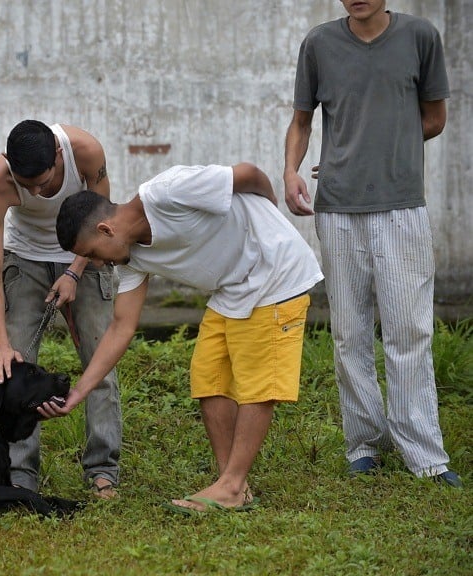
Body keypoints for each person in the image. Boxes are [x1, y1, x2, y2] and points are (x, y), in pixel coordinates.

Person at [43, 162, 324, 513]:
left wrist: (269, 220)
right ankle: (231, 484)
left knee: (257, 381)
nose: (97, 264)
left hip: (275, 271)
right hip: (232, 286)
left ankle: (233, 485)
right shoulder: (132, 258)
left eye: (93, 254)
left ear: (105, 229)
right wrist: (78, 392)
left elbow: (250, 175)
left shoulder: (170, 191)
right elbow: (121, 327)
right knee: (209, 376)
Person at [283, 1, 460, 486]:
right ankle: (363, 443)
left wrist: (378, 150)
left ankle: (425, 453)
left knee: (410, 331)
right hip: (337, 209)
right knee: (350, 333)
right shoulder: (319, 44)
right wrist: (291, 171)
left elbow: (434, 118)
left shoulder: (420, 37)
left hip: (402, 206)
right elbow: (302, 121)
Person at [0, 120, 122, 498]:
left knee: (99, 362)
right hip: (24, 259)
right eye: (27, 187)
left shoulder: (86, 152)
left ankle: (102, 468)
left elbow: (102, 221)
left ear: (59, 156)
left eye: (42, 183)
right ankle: (19, 473)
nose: (36, 191)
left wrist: (75, 272)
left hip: (86, 255)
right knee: (14, 367)